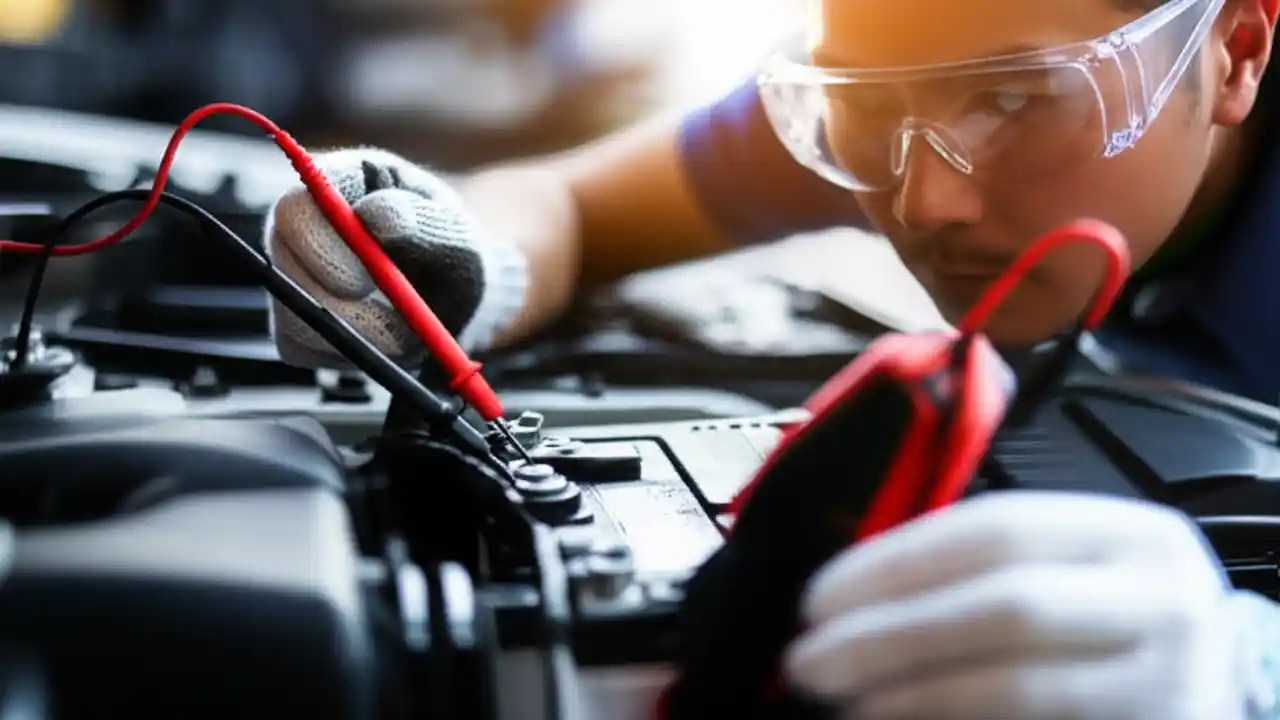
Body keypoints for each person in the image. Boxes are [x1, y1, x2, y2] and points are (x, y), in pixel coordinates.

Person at [266, 0, 1280, 717]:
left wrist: (1252, 678)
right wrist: (452, 258)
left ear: (1233, 48)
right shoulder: (912, 95)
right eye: (864, 106)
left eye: (1012, 100)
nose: (923, 205)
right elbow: (572, 206)